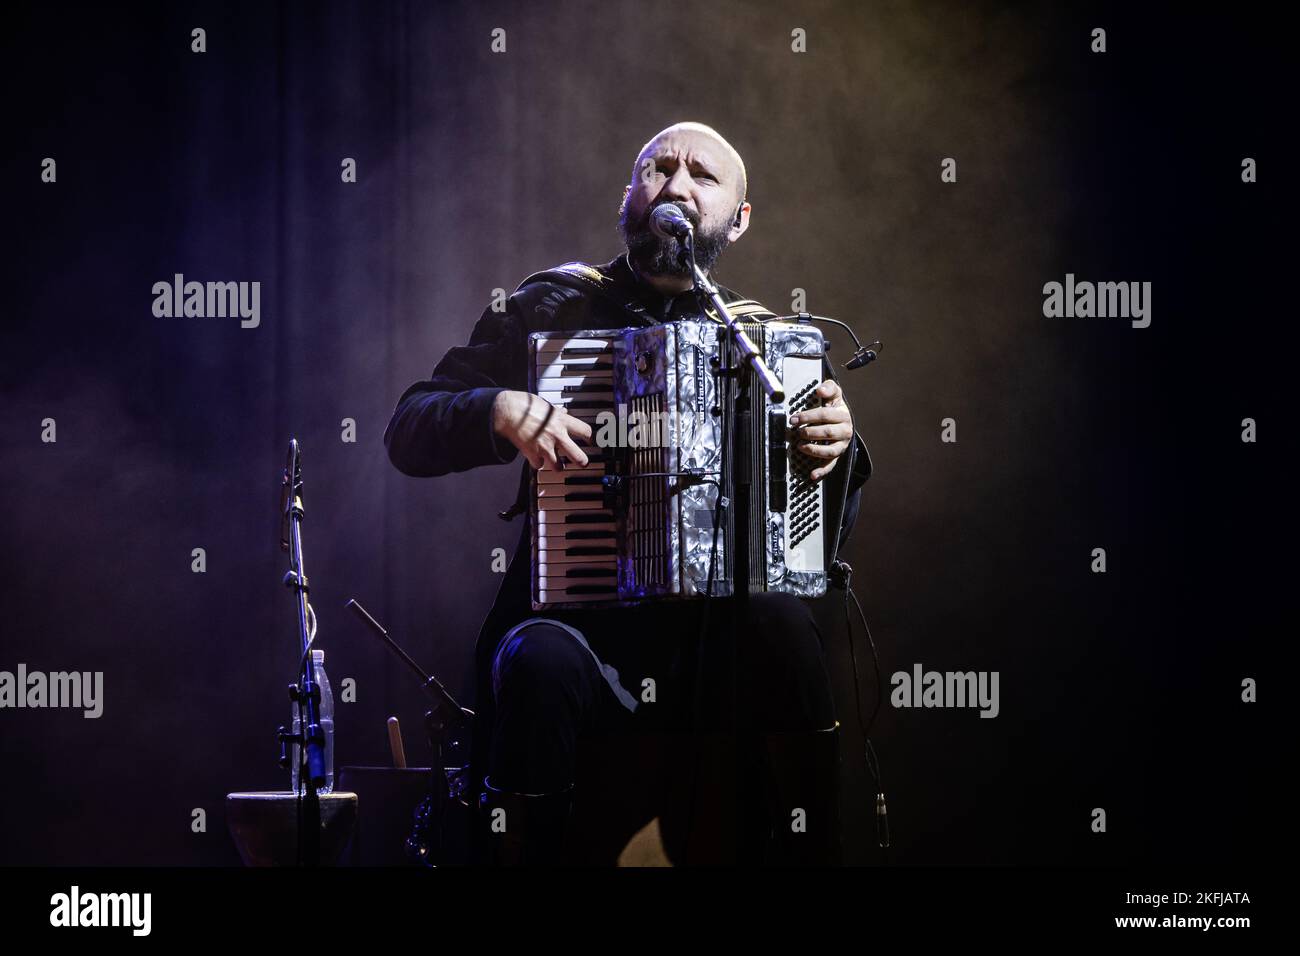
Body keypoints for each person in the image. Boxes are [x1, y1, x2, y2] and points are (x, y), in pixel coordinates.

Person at [384, 122, 871, 865]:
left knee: (783, 625)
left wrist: (838, 450)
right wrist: (494, 409)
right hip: (583, 642)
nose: (675, 185)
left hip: (717, 650)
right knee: (536, 656)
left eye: (701, 176)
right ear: (629, 200)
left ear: (738, 220)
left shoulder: (770, 345)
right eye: (656, 169)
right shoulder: (552, 308)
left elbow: (820, 543)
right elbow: (407, 427)